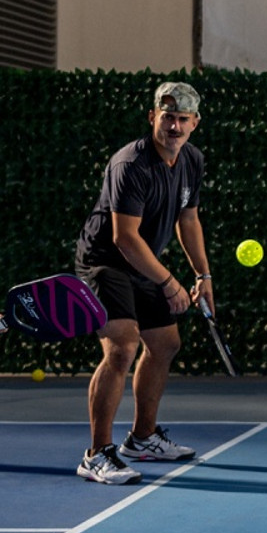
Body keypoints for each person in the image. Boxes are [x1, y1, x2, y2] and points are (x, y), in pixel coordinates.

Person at [72, 80, 215, 485]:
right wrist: (169, 282)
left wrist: (202, 275)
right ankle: (97, 454)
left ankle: (142, 438)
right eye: (167, 117)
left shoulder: (191, 160)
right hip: (104, 262)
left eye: (182, 119)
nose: (174, 126)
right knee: (121, 347)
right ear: (153, 117)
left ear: (195, 123)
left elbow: (188, 219)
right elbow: (124, 238)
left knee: (165, 343)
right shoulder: (130, 164)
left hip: (141, 263)